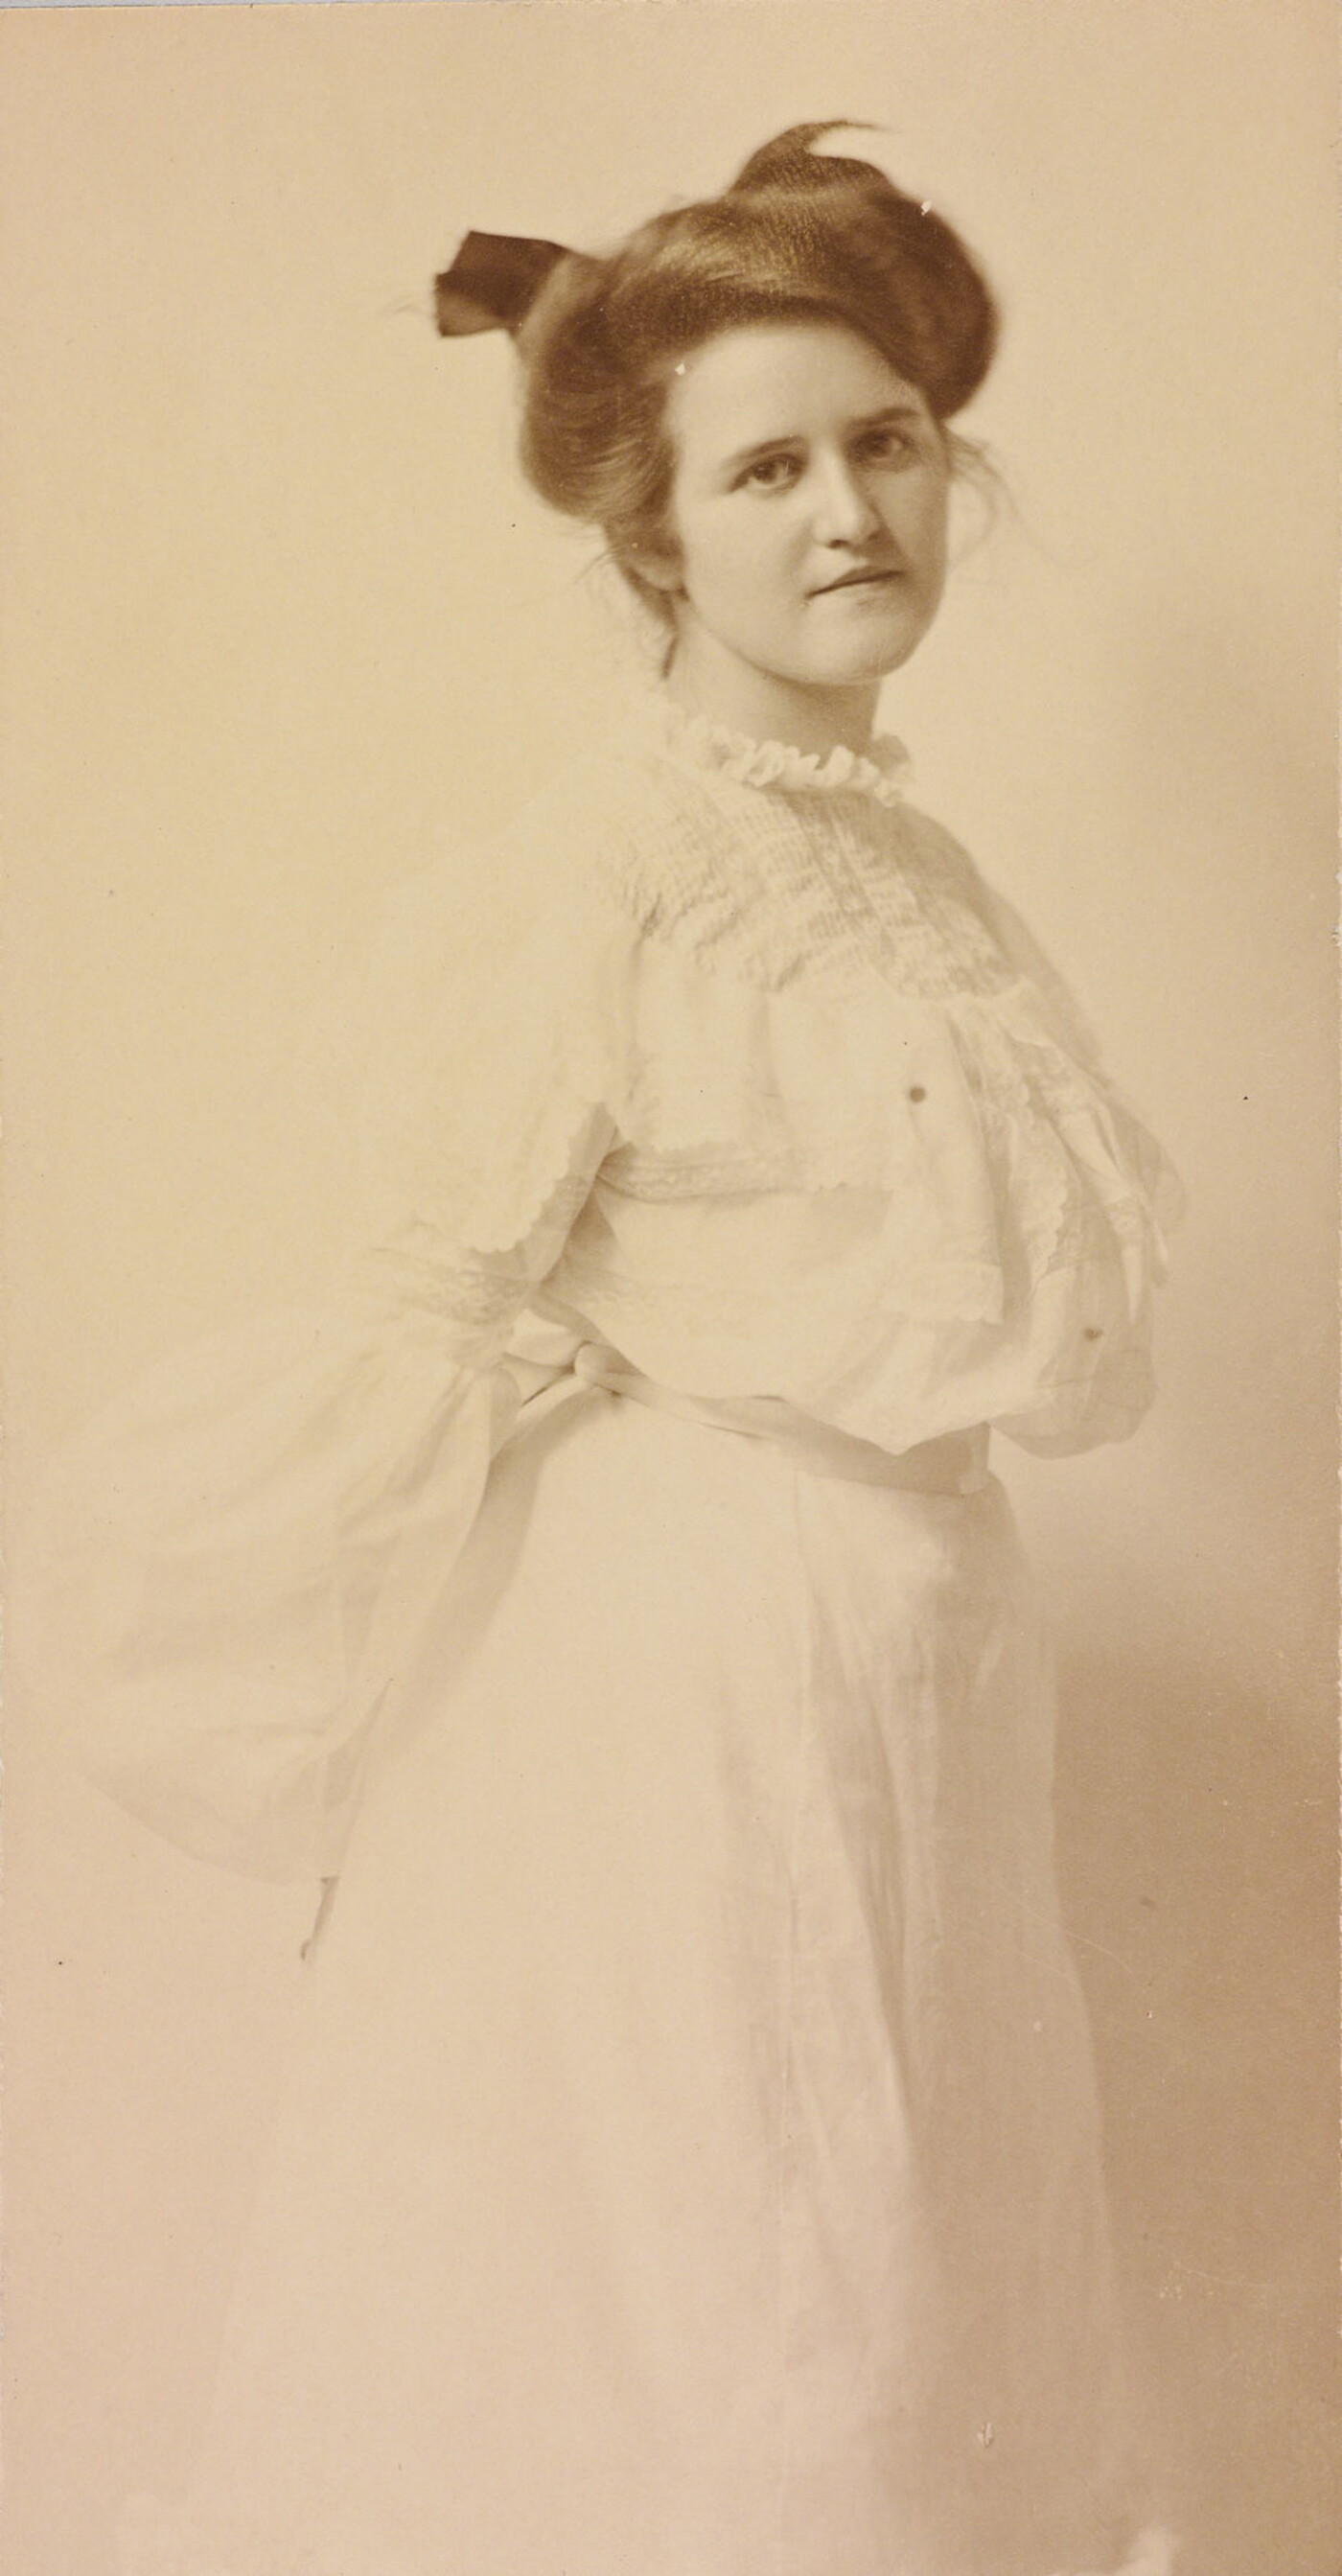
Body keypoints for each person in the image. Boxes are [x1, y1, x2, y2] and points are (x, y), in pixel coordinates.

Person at [36, 125, 1178, 2576]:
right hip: (686, 1683)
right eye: (764, 465)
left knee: (918, 2307)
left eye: (887, 442)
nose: (848, 509)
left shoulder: (910, 867)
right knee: (728, 2328)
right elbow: (420, 1318)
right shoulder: (596, 877)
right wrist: (364, 1751)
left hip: (924, 1652)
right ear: (652, 536)